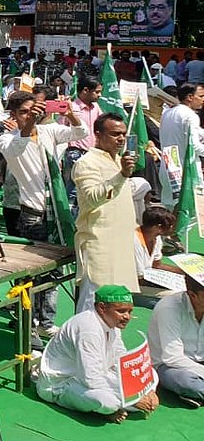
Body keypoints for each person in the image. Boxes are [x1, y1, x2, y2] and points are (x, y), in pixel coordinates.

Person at [0, 91, 87, 336]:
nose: (29, 115)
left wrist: (69, 112)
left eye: (33, 110)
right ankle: (28, 323)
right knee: (32, 273)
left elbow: (81, 133)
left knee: (55, 271)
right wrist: (31, 123)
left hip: (57, 210)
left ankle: (45, 322)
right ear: (13, 115)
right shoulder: (6, 139)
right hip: (32, 214)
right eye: (23, 112)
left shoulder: (49, 130)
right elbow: (18, 148)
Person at [35, 284, 159, 421]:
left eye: (130, 312)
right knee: (109, 402)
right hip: (61, 384)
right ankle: (107, 409)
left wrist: (144, 388)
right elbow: (90, 379)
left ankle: (119, 404)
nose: (127, 317)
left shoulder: (112, 322)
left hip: (95, 374)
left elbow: (120, 360)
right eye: (121, 311)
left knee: (151, 374)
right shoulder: (88, 329)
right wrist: (134, 399)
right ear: (102, 308)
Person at [72, 113, 140, 310]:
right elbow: (92, 198)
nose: (121, 139)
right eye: (115, 134)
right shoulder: (86, 163)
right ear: (98, 134)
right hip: (99, 243)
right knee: (93, 306)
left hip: (122, 244)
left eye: (123, 134)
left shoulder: (120, 160)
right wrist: (122, 175)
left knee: (117, 304)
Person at [148, 274, 204, 405]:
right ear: (192, 295)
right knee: (187, 383)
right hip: (169, 367)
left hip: (200, 361)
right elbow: (172, 357)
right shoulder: (169, 308)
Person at [61, 77, 103, 205]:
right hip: (75, 152)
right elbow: (61, 128)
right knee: (75, 186)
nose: (100, 95)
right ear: (85, 90)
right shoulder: (71, 108)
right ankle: (68, 213)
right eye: (97, 92)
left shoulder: (96, 108)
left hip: (91, 153)